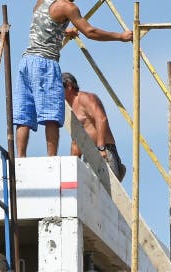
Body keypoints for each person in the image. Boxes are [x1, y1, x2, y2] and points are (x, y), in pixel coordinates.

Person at [16, 0, 132, 158]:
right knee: (52, 116)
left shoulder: (41, 2)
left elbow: (44, 25)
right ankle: (51, 159)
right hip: (45, 62)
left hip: (26, 62)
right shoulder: (68, 7)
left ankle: (20, 158)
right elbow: (90, 31)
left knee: (25, 116)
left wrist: (62, 32)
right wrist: (120, 36)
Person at [62, 72, 126, 181]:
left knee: (106, 195)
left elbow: (101, 119)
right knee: (90, 195)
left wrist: (101, 148)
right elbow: (76, 141)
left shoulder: (85, 98)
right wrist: (72, 166)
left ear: (69, 86)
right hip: (88, 155)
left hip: (104, 151)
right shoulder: (69, 110)